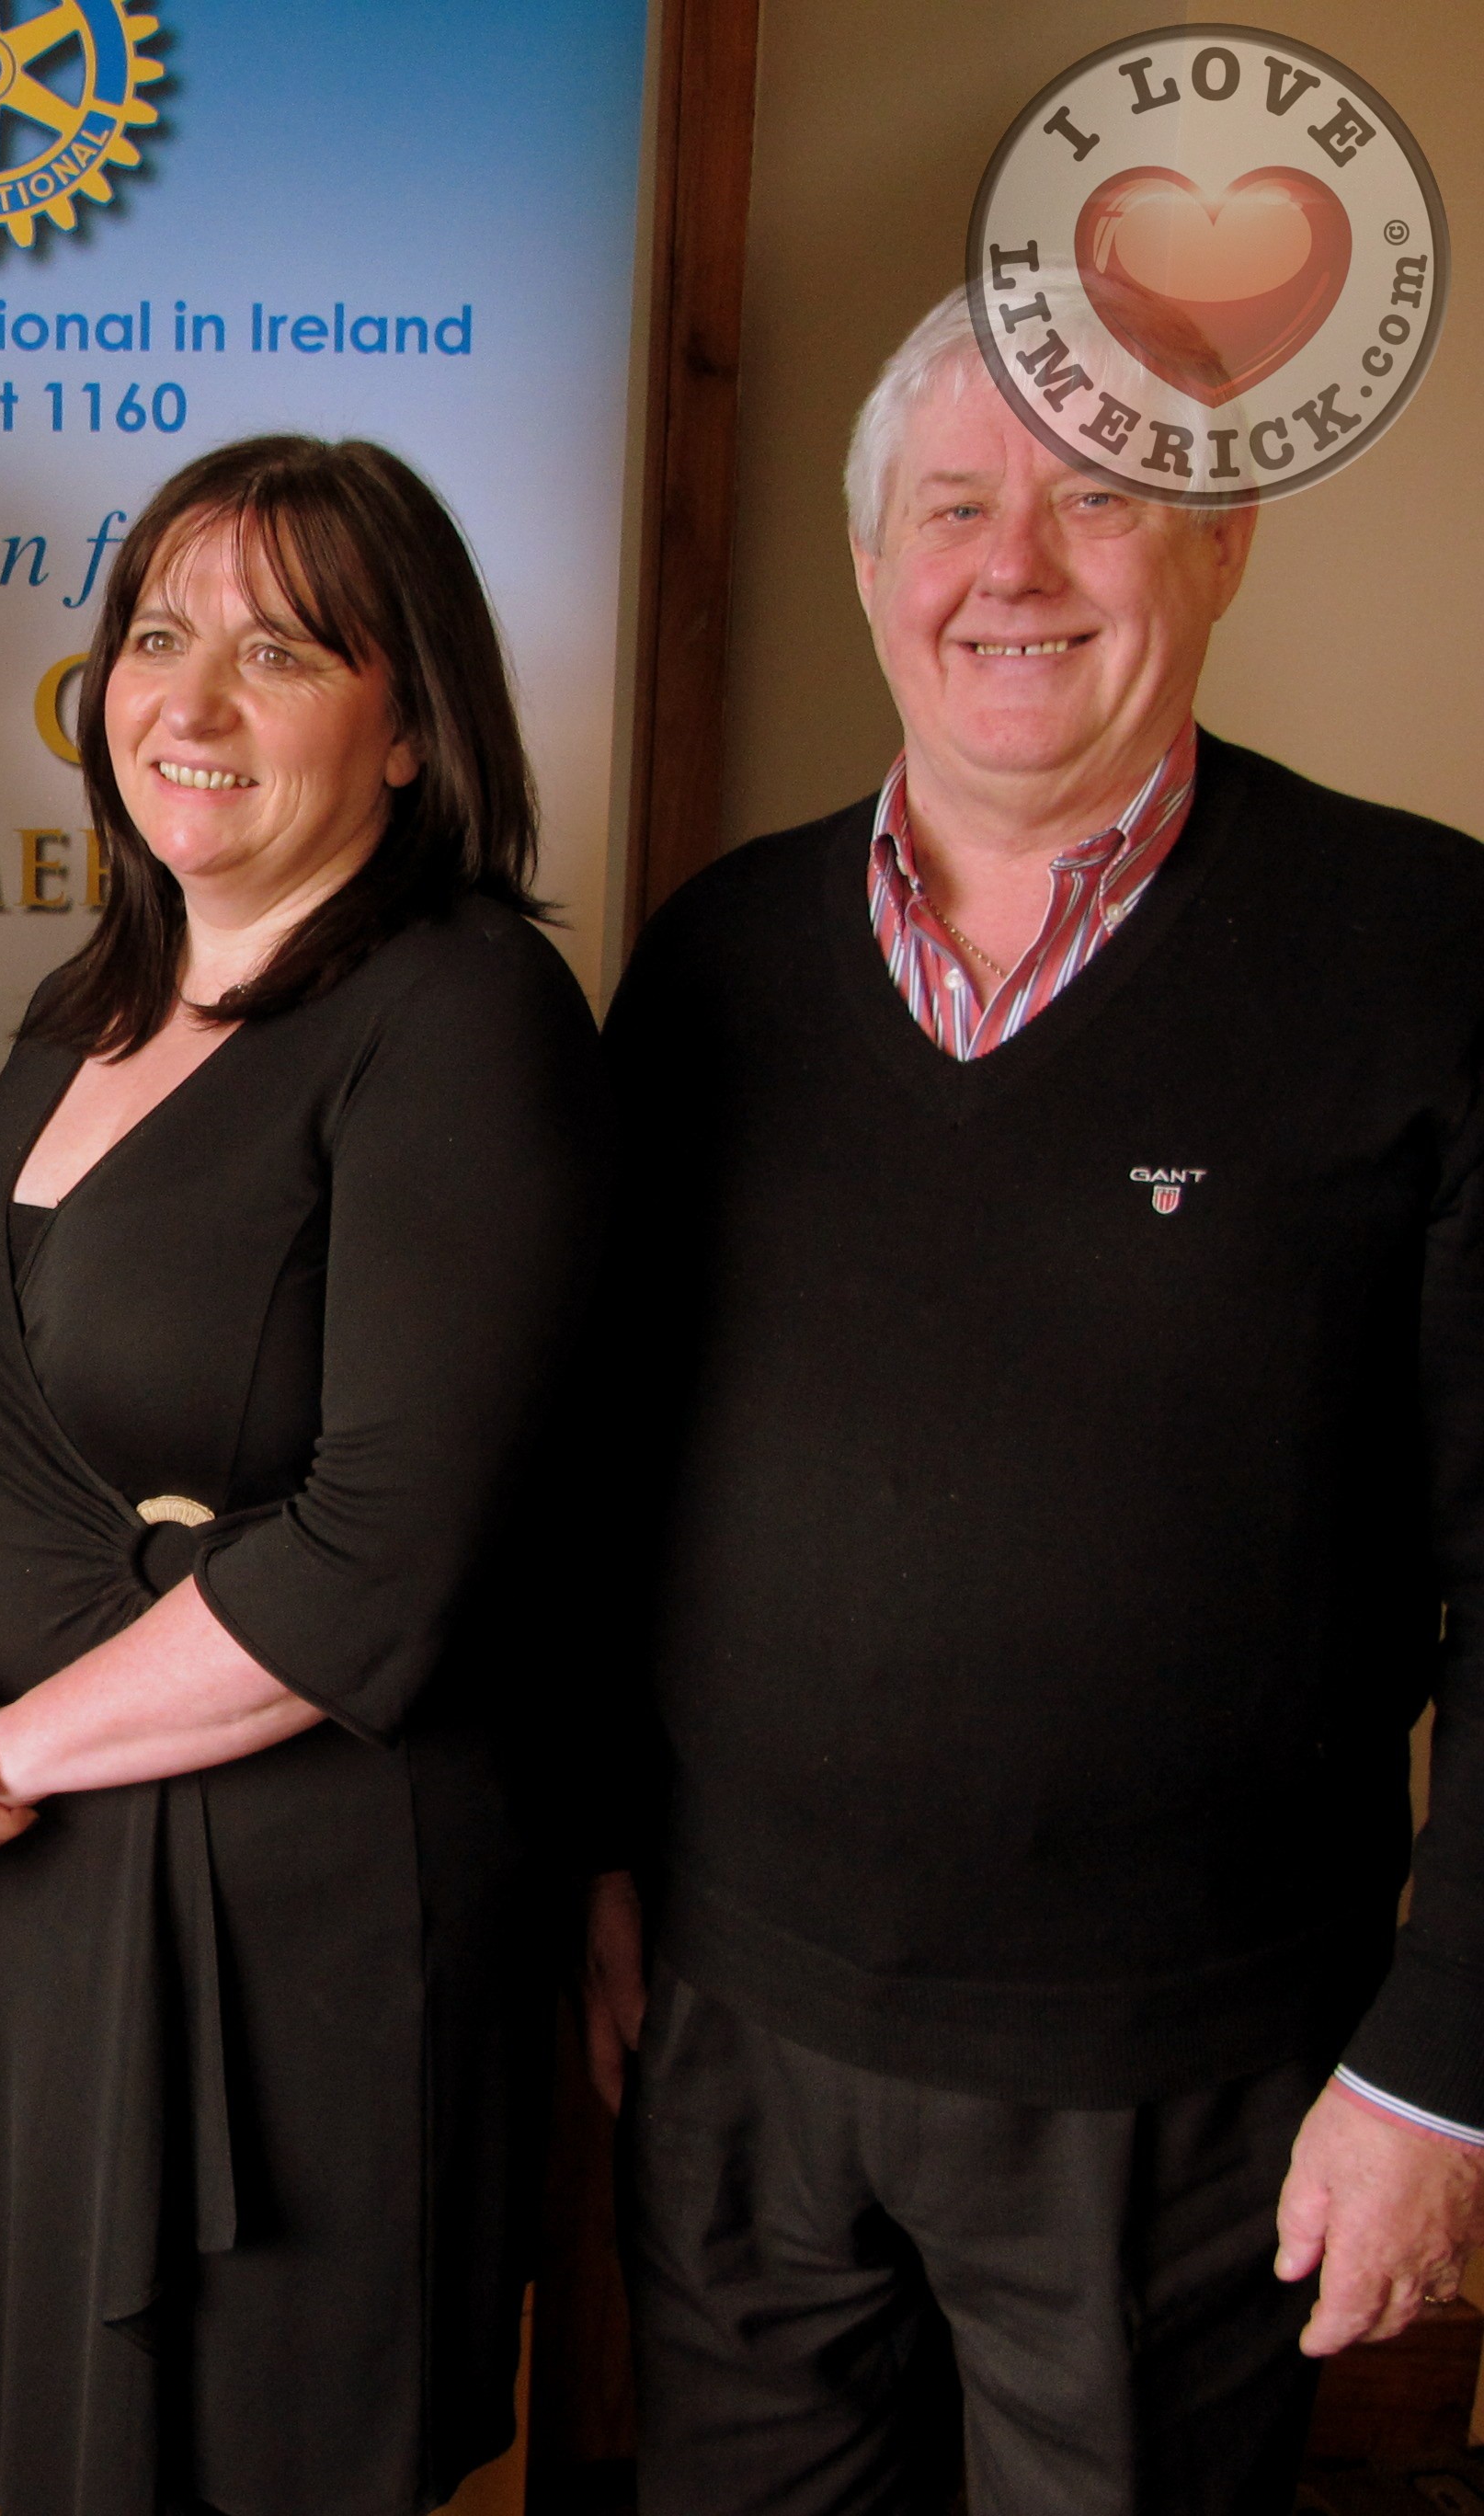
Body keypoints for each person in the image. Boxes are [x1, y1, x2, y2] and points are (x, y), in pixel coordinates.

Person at [588, 288, 1484, 2515]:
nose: (1015, 568)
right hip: (733, 2051)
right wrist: (600, 1866)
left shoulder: (1430, 956)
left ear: (1226, 541)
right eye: (954, 507)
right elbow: (600, 1481)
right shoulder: (711, 966)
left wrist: (1445, 2078)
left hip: (1184, 2093)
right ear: (878, 561)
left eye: (1099, 501)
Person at [0, 434, 605, 2516]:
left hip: (309, 1923)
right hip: (65, 1895)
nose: (185, 706)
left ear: (408, 728)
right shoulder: (91, 1003)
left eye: (277, 653)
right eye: (155, 639)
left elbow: (384, 1560)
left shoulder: (463, 1018)